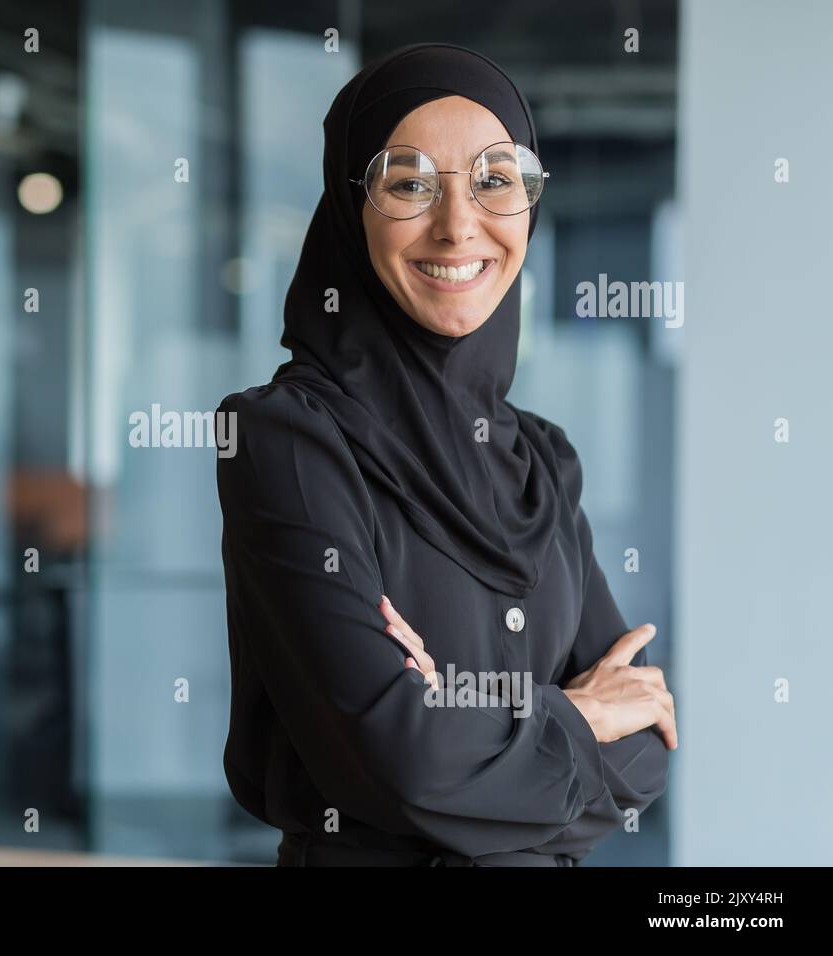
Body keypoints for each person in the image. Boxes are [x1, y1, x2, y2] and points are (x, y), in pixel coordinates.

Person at [215, 43, 675, 867]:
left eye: (496, 180)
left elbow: (644, 752)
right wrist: (573, 716)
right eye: (408, 182)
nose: (458, 224)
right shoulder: (287, 439)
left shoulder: (542, 460)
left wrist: (461, 730)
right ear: (350, 208)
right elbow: (399, 762)